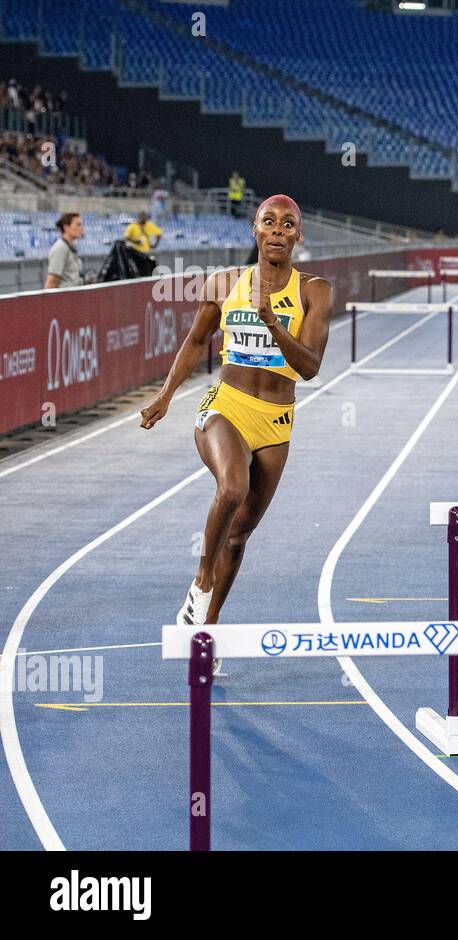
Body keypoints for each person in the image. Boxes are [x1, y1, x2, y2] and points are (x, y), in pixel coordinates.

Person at [140, 196, 332, 671]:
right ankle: (201, 584)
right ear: (255, 230)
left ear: (298, 237)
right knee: (232, 487)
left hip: (276, 419)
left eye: (289, 224)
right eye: (269, 222)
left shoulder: (315, 291)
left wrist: (272, 322)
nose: (278, 230)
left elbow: (309, 368)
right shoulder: (225, 283)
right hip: (225, 405)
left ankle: (208, 628)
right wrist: (166, 396)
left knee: (240, 535)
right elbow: (197, 341)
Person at [44, 212, 84, 289]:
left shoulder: (71, 247)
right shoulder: (60, 248)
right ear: (66, 227)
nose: (82, 228)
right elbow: (52, 281)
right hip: (65, 298)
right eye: (78, 224)